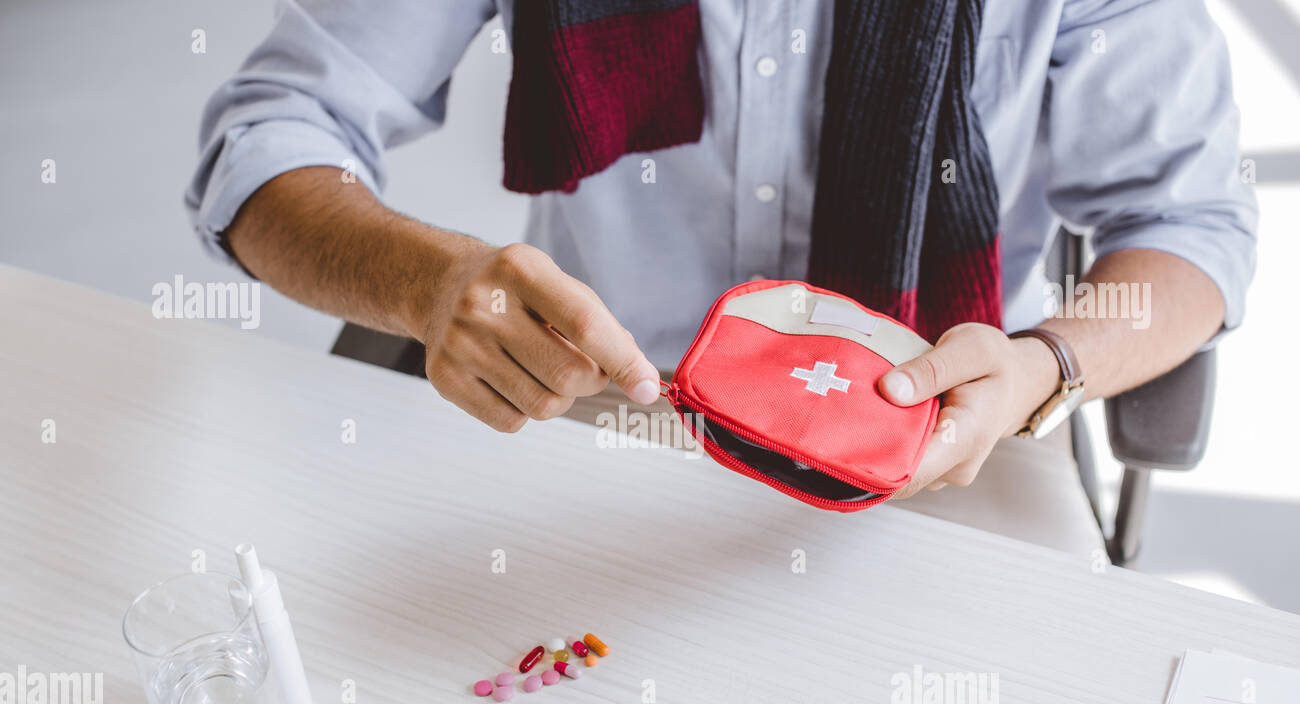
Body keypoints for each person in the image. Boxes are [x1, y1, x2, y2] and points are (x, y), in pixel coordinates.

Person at [186, 0, 1256, 555]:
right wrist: (424, 284)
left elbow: (1191, 221)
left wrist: (1045, 368)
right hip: (597, 397)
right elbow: (267, 136)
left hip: (947, 428)